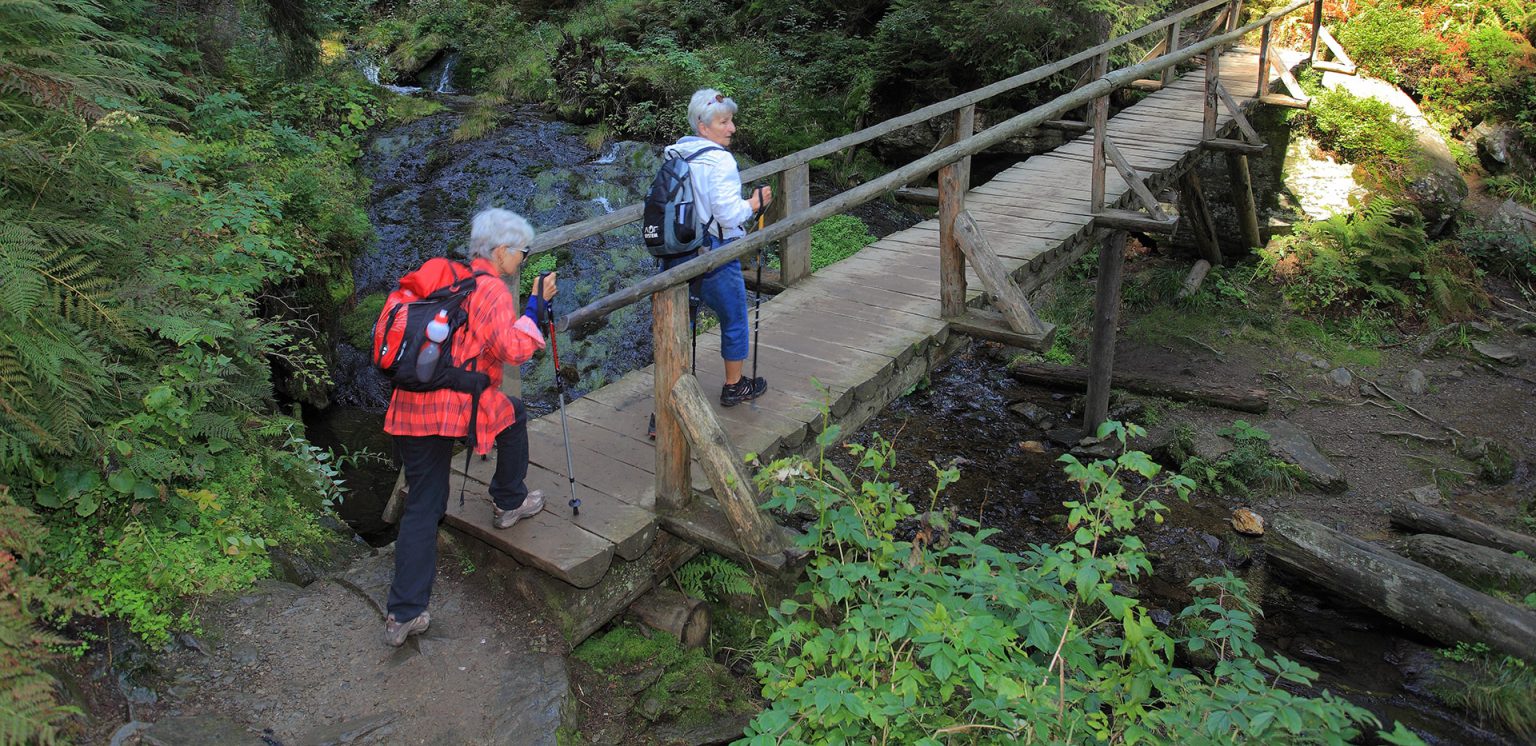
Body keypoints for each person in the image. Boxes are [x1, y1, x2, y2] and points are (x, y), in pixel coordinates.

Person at [380, 207, 559, 647]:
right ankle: (508, 501)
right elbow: (513, 348)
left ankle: (403, 614)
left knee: (424, 503)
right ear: (500, 252)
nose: (523, 258)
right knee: (513, 415)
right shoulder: (492, 290)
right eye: (521, 251)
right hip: (459, 404)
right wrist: (535, 306)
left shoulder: (447, 277)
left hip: (411, 403)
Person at [662, 87, 773, 407]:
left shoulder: (675, 153)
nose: (732, 128)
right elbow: (727, 213)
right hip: (715, 252)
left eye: (731, 121)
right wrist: (754, 203)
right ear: (703, 126)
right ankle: (734, 386)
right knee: (736, 315)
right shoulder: (720, 161)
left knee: (678, 327)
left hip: (676, 250)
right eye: (724, 122)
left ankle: (667, 403)